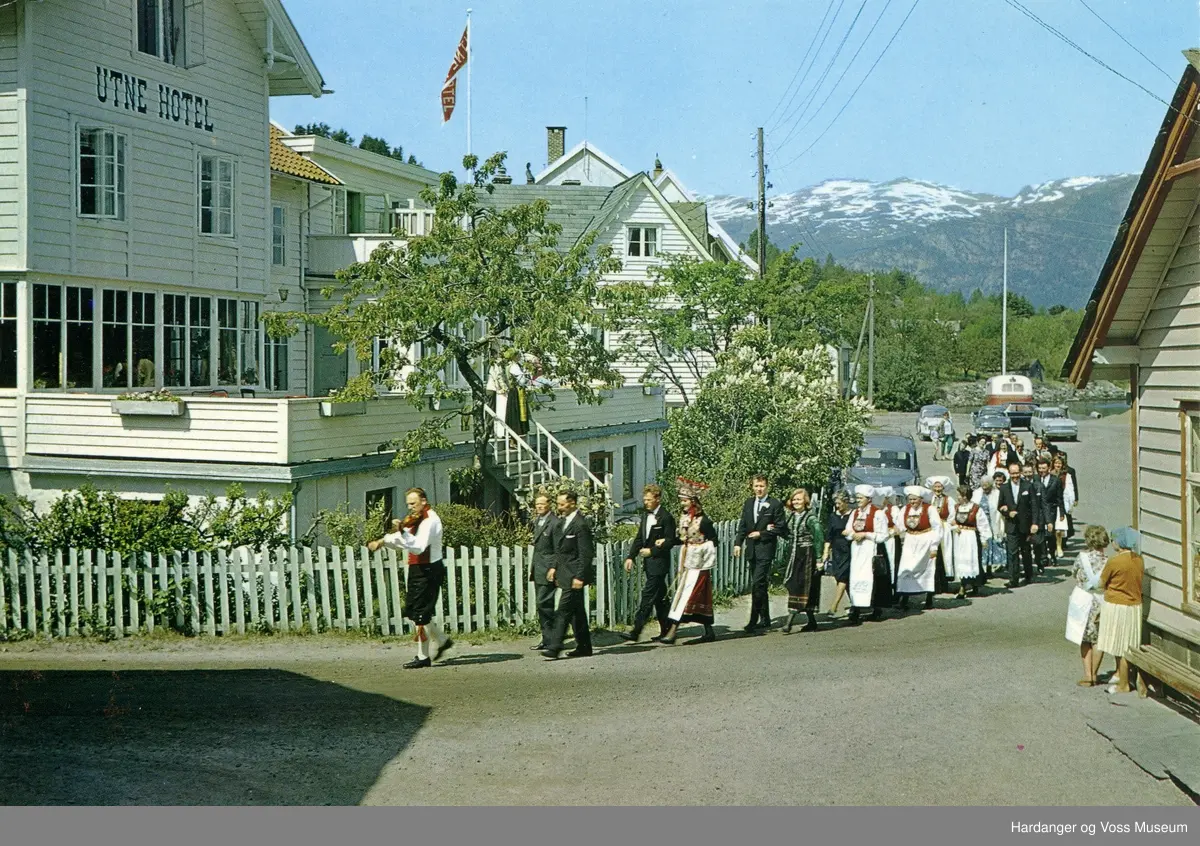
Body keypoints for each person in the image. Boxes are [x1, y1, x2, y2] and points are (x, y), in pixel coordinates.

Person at [368, 487, 451, 669]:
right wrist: (383, 541)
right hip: (418, 568)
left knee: (420, 613)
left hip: (429, 569)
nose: (410, 507)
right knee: (414, 610)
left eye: (413, 503)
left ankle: (423, 656)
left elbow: (418, 547)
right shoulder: (417, 519)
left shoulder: (430, 521)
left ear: (423, 501)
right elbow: (402, 537)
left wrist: (402, 532)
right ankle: (442, 640)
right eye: (408, 504)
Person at [661, 478, 718, 645]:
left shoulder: (704, 521)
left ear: (693, 501)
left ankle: (673, 631)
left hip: (699, 564)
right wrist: (666, 542)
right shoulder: (684, 517)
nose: (682, 504)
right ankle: (709, 631)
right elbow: (681, 539)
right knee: (696, 597)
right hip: (687, 562)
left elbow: (714, 540)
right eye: (681, 501)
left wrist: (700, 548)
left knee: (687, 595)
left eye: (685, 501)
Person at [542, 491, 596, 660]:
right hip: (565, 574)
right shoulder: (562, 523)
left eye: (562, 504)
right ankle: (584, 647)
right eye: (558, 504)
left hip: (574, 575)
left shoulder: (580, 524)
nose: (559, 508)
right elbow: (558, 551)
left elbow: (586, 554)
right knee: (577, 613)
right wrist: (554, 568)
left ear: (572, 503)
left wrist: (580, 577)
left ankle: (554, 646)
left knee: (563, 611)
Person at [623, 484, 678, 643]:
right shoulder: (645, 516)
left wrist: (652, 551)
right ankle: (668, 630)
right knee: (660, 598)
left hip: (659, 564)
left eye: (649, 500)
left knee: (647, 596)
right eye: (645, 499)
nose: (645, 502)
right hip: (649, 564)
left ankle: (636, 630)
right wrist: (630, 557)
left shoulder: (666, 517)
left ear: (658, 499)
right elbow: (639, 538)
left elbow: (670, 541)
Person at [733, 474, 788, 633]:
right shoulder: (749, 503)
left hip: (765, 549)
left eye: (762, 486)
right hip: (752, 550)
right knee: (760, 585)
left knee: (757, 583)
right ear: (752, 486)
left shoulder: (775, 504)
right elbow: (743, 525)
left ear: (767, 487)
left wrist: (761, 534)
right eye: (756, 486)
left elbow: (780, 528)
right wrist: (738, 543)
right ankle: (765, 619)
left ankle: (753, 620)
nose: (759, 489)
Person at [1095, 527, 1145, 694]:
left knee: (1120, 646)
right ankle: (1120, 675)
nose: (1112, 543)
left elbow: (1101, 583)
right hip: (1134, 606)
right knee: (1126, 643)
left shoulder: (1114, 561)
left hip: (1116, 605)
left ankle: (1123, 684)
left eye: (1114, 540)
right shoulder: (1139, 559)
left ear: (1120, 542)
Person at [842, 485, 889, 624]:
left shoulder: (878, 513)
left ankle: (875, 608)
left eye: (860, 498)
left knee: (871, 577)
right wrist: (853, 535)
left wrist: (865, 534)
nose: (858, 500)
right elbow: (848, 530)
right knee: (856, 577)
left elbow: (883, 535)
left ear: (869, 499)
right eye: (857, 498)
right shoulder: (855, 513)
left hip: (871, 548)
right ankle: (856, 607)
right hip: (857, 549)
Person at [781, 488, 824, 633]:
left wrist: (819, 558)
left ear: (805, 501)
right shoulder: (791, 516)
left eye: (798, 499)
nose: (796, 502)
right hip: (795, 555)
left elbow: (818, 537)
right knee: (795, 584)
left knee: (802, 586)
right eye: (794, 499)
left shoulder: (811, 518)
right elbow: (787, 533)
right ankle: (812, 621)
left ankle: (789, 622)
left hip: (807, 556)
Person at [1071, 525, 1109, 687]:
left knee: (1084, 638)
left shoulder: (1081, 557)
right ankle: (1095, 674)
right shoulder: (1108, 561)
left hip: (1082, 599)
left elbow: (1074, 573)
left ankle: (1087, 675)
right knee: (1098, 639)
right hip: (1101, 600)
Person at [894, 486, 943, 611]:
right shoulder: (905, 509)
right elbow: (900, 525)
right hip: (910, 541)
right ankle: (904, 598)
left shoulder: (929, 509)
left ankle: (929, 599)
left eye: (914, 499)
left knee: (927, 569)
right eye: (910, 499)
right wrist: (895, 530)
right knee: (906, 568)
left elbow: (937, 528)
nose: (912, 502)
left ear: (921, 499)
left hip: (925, 540)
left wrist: (934, 546)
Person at [997, 461, 1039, 587]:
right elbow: (1000, 506)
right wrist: (1007, 513)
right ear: (1009, 473)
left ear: (1020, 472)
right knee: (1012, 553)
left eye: (1017, 473)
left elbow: (1034, 506)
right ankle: (1013, 579)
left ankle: (1028, 575)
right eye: (1012, 473)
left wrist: (1034, 523)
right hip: (1011, 525)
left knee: (1026, 551)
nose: (1015, 476)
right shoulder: (1004, 488)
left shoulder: (1028, 486)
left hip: (1025, 525)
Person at [527, 493, 559, 650]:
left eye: (542, 504)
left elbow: (558, 549)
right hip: (538, 568)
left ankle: (551, 639)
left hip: (548, 569)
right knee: (542, 604)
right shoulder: (537, 521)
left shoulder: (554, 522)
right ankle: (548, 639)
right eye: (537, 504)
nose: (539, 506)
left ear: (549, 504)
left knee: (544, 603)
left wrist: (553, 567)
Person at [948, 484, 990, 599]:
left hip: (971, 538)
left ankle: (974, 586)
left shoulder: (976, 508)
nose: (957, 497)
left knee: (972, 561)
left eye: (959, 495)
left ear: (965, 496)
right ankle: (962, 586)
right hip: (959, 538)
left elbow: (983, 524)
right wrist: (954, 527)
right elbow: (950, 520)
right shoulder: (956, 507)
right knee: (961, 561)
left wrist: (984, 539)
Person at [822, 491, 853, 616]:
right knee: (839, 576)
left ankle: (834, 606)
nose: (837, 506)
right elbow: (828, 536)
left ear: (846, 502)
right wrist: (826, 552)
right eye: (836, 503)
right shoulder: (833, 516)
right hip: (836, 550)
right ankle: (855, 603)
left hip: (849, 549)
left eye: (839, 503)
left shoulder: (853, 515)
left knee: (843, 576)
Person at [972, 471, 1008, 577]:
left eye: (987, 488)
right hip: (980, 524)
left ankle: (989, 568)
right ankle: (981, 569)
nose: (985, 489)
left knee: (991, 546)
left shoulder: (997, 493)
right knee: (982, 546)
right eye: (983, 487)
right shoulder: (977, 493)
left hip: (992, 523)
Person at [1033, 456, 1063, 571]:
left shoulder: (1056, 480)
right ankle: (1042, 558)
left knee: (1050, 535)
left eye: (1044, 468)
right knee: (1039, 535)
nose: (1041, 471)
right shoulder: (1035, 479)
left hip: (1051, 510)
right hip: (1038, 511)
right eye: (1039, 468)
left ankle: (1052, 553)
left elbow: (1059, 498)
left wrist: (1062, 513)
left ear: (1049, 468)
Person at [927, 476, 955, 593]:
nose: (938, 489)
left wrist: (947, 524)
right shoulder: (929, 499)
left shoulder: (949, 500)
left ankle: (944, 582)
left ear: (943, 488)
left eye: (940, 487)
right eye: (936, 487)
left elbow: (953, 514)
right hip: (931, 529)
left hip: (944, 528)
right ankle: (932, 583)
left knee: (944, 554)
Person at [1051, 453, 1077, 558]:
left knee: (1059, 528)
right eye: (1056, 463)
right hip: (1051, 504)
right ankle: (1053, 547)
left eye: (1059, 463)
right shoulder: (1049, 474)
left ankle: (1059, 546)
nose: (1058, 465)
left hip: (1061, 503)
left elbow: (1071, 490)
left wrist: (1072, 502)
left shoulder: (1066, 475)